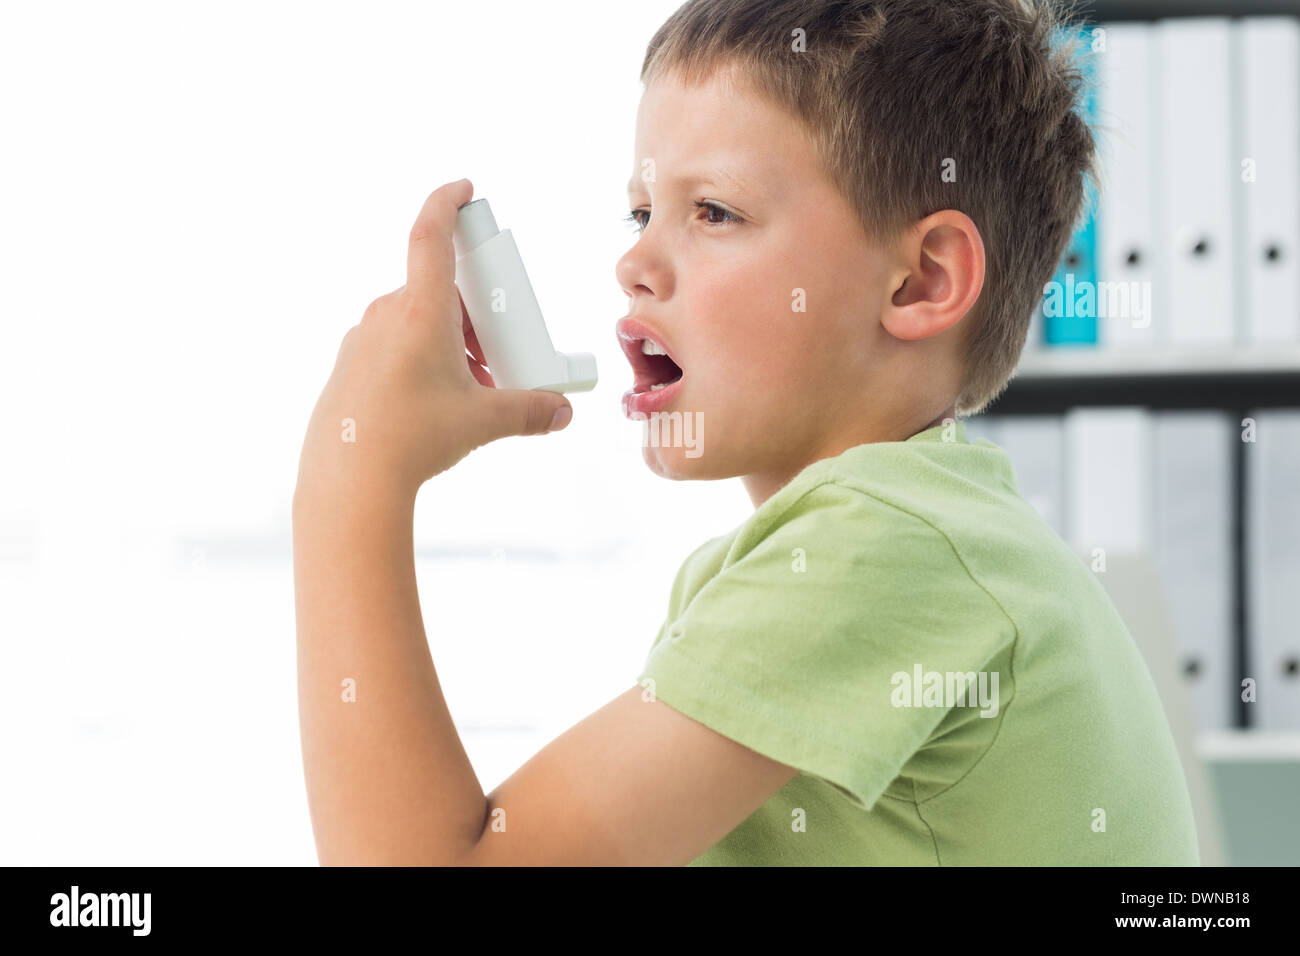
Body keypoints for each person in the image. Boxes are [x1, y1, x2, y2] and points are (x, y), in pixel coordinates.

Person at [292, 0, 1200, 865]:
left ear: (923, 281)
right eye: (641, 212)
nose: (634, 262)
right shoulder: (871, 547)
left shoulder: (889, 548)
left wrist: (350, 476)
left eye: (713, 213)